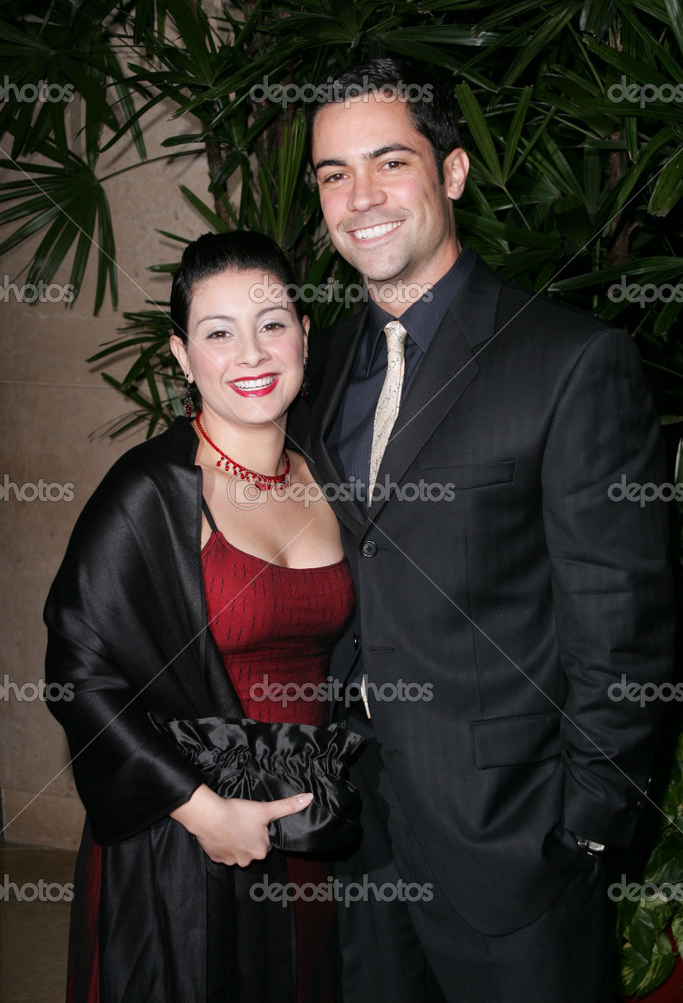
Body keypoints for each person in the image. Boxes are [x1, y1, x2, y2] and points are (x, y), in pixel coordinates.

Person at [287, 59, 675, 1003]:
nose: (360, 198)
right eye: (334, 174)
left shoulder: (570, 360)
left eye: (389, 161)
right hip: (362, 834)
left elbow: (619, 616)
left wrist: (582, 827)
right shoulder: (320, 362)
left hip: (517, 848)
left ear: (451, 172)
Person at [44, 231, 356, 1003]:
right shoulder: (148, 490)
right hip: (184, 838)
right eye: (218, 332)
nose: (251, 353)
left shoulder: (331, 468)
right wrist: (201, 807)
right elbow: (76, 675)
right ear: (184, 356)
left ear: (304, 336)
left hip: (310, 823)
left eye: (272, 324)